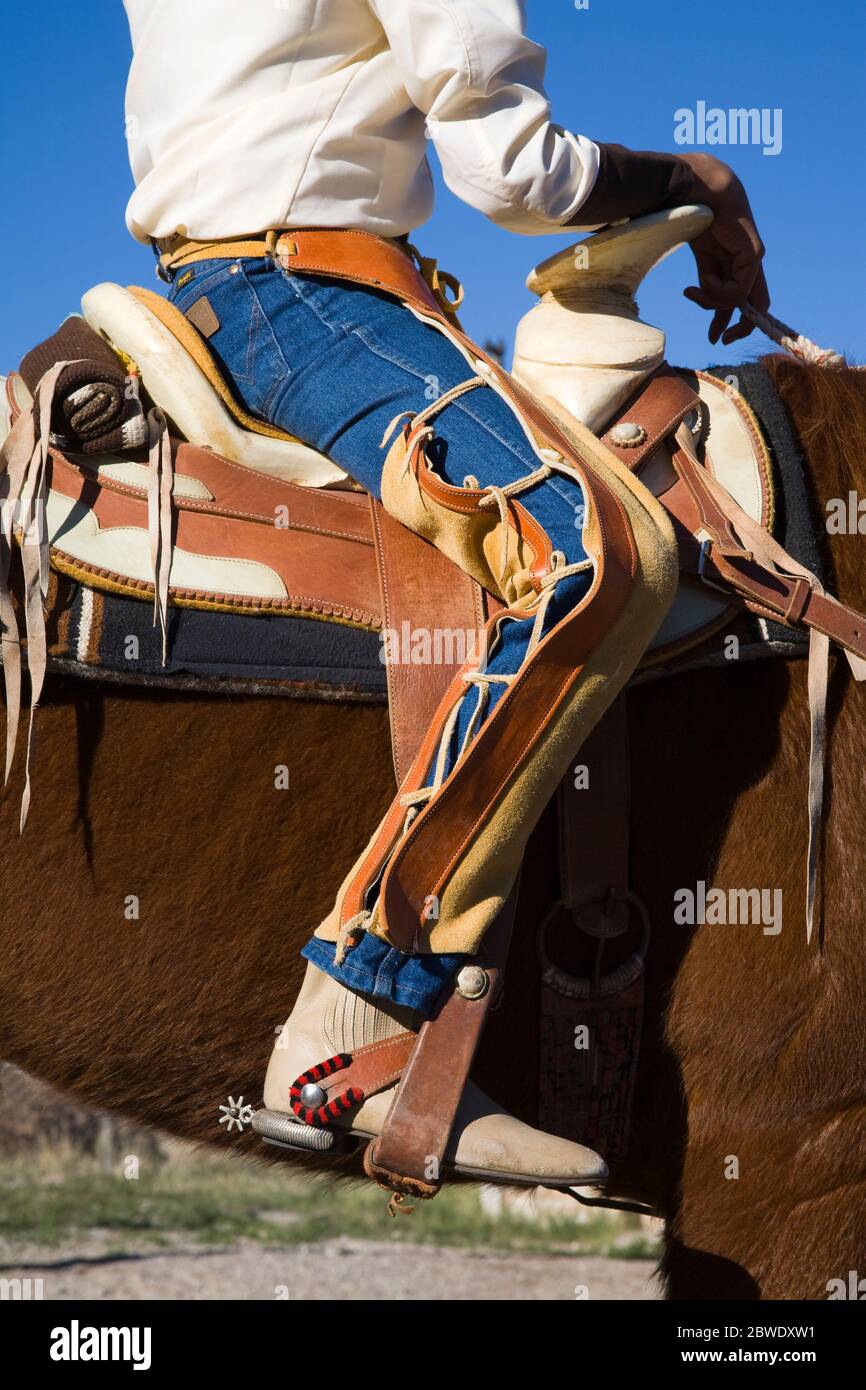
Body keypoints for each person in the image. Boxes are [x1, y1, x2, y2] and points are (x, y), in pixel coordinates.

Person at [123, 0, 769, 1186]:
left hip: (226, 285)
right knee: (600, 557)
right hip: (318, 296)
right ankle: (360, 1007)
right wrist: (699, 175)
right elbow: (509, 168)